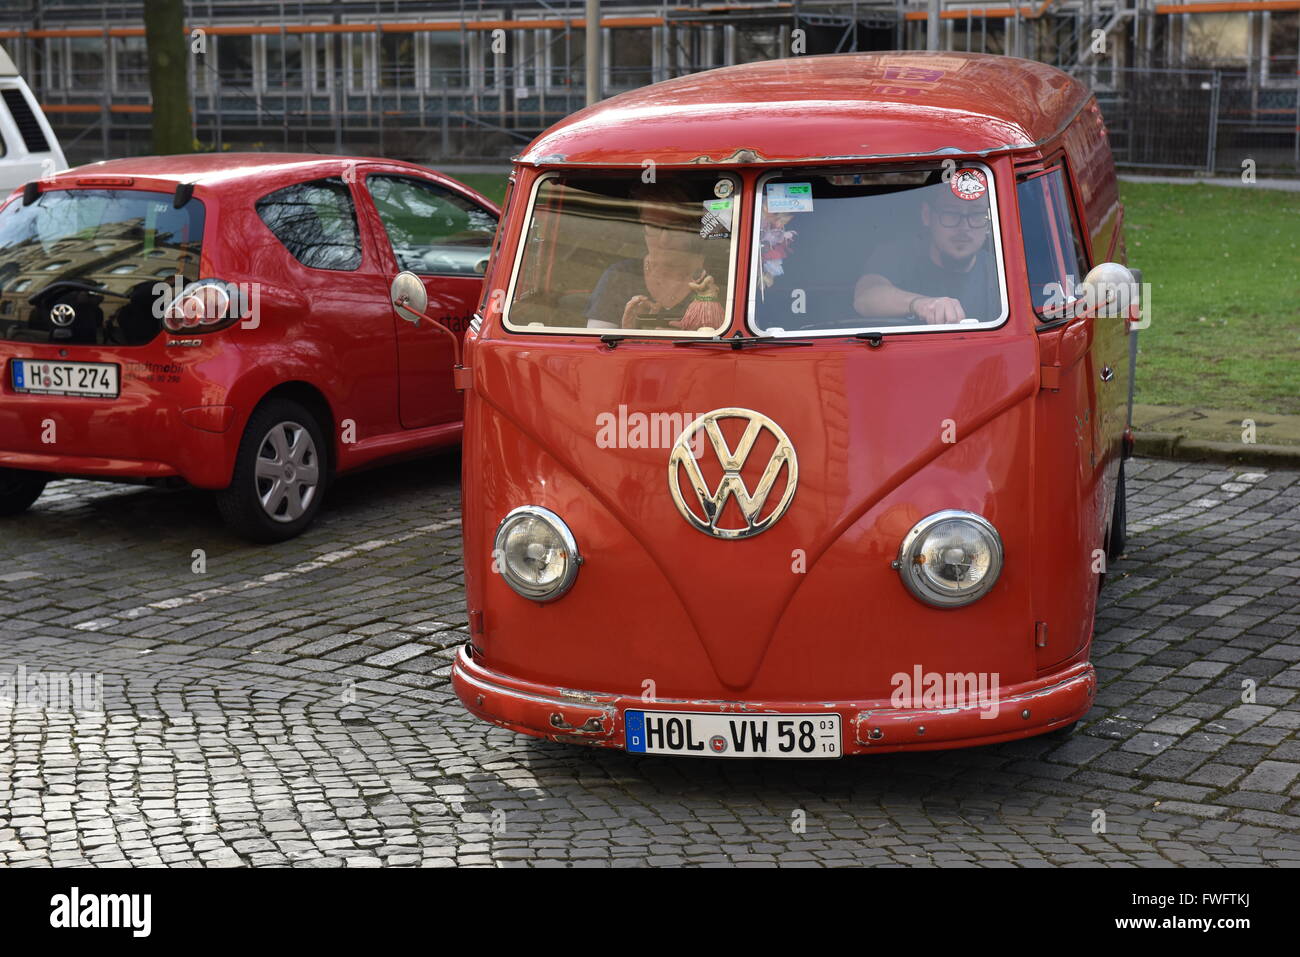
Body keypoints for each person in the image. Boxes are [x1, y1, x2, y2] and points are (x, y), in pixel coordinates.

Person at [853, 177, 997, 325]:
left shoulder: (1002, 273)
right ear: (927, 215)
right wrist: (920, 304)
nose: (964, 227)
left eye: (976, 214)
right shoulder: (898, 255)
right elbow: (865, 297)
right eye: (951, 213)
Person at [586, 185, 721, 330]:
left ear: (694, 229)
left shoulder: (726, 276)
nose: (664, 240)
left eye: (675, 227)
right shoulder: (620, 275)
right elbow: (597, 345)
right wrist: (629, 333)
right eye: (653, 226)